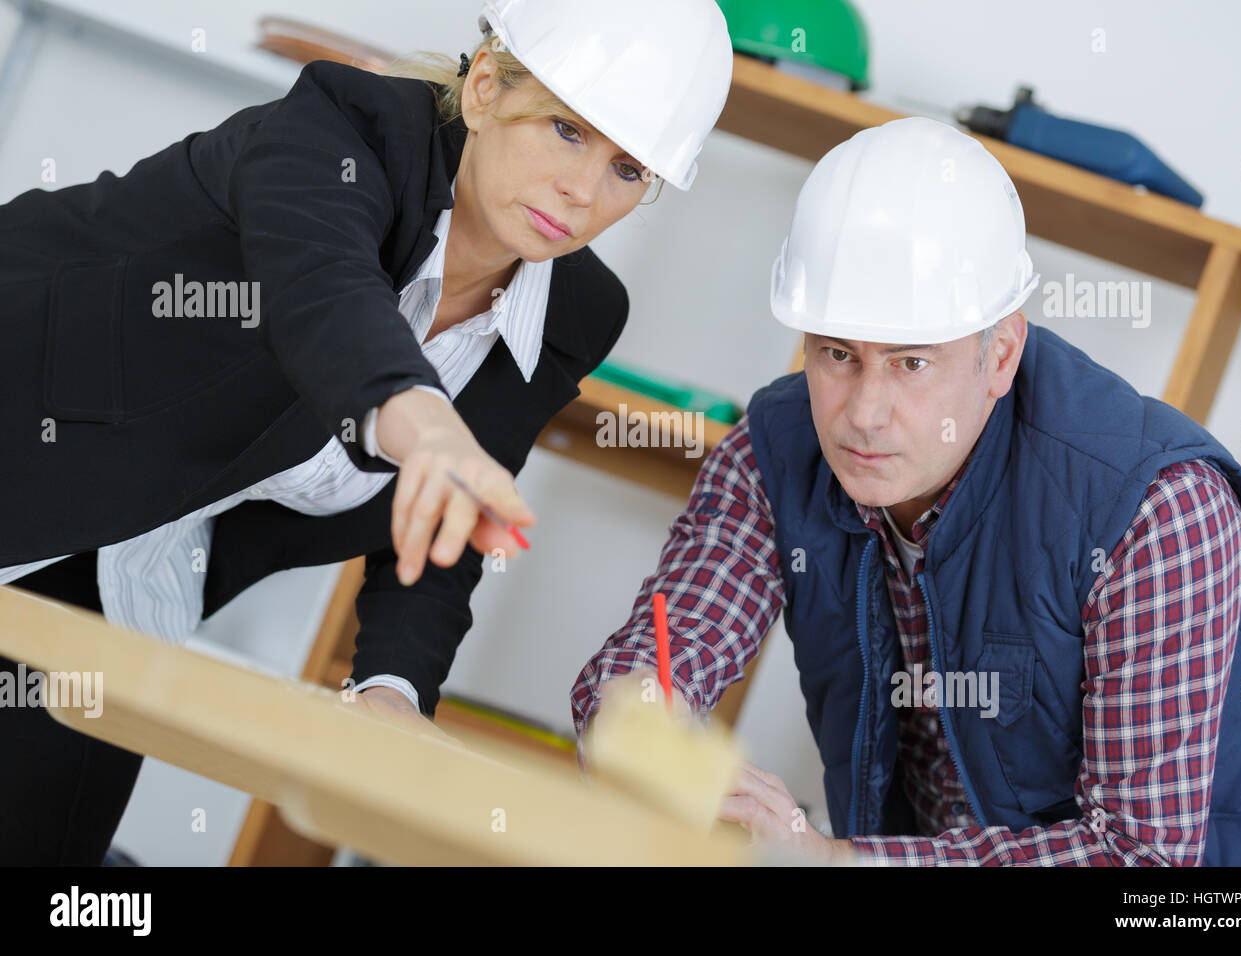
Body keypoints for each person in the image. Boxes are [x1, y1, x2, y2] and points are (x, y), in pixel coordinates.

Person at [0, 0, 734, 864]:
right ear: (489, 89)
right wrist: (421, 423)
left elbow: (452, 522)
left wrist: (392, 688)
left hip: (113, 585)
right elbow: (323, 295)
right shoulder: (342, 129)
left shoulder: (576, 310)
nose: (583, 191)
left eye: (627, 169)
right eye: (567, 131)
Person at [571, 117, 1241, 866]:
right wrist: (644, 733)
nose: (863, 413)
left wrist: (832, 861)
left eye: (911, 363)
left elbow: (1138, 860)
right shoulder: (772, 451)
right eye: (836, 353)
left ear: (1000, 355)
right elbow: (661, 652)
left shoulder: (1156, 511)